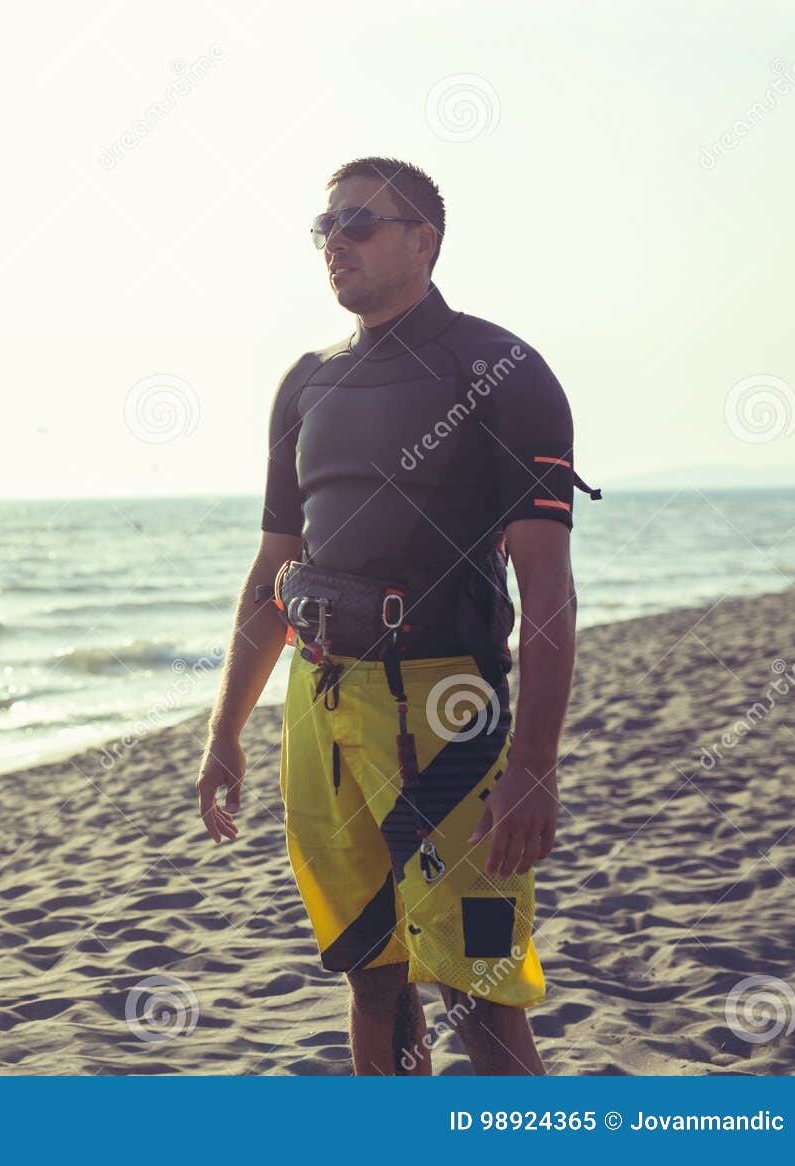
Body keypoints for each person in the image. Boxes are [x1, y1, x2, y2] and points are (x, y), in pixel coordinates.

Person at [196, 157, 595, 1076]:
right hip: (319, 706)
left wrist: (534, 764)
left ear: (425, 239)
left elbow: (547, 586)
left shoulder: (502, 368)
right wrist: (225, 729)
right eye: (325, 227)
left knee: (480, 987)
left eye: (359, 225)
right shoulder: (307, 383)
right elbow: (273, 570)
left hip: (451, 715)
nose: (335, 243)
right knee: (371, 974)